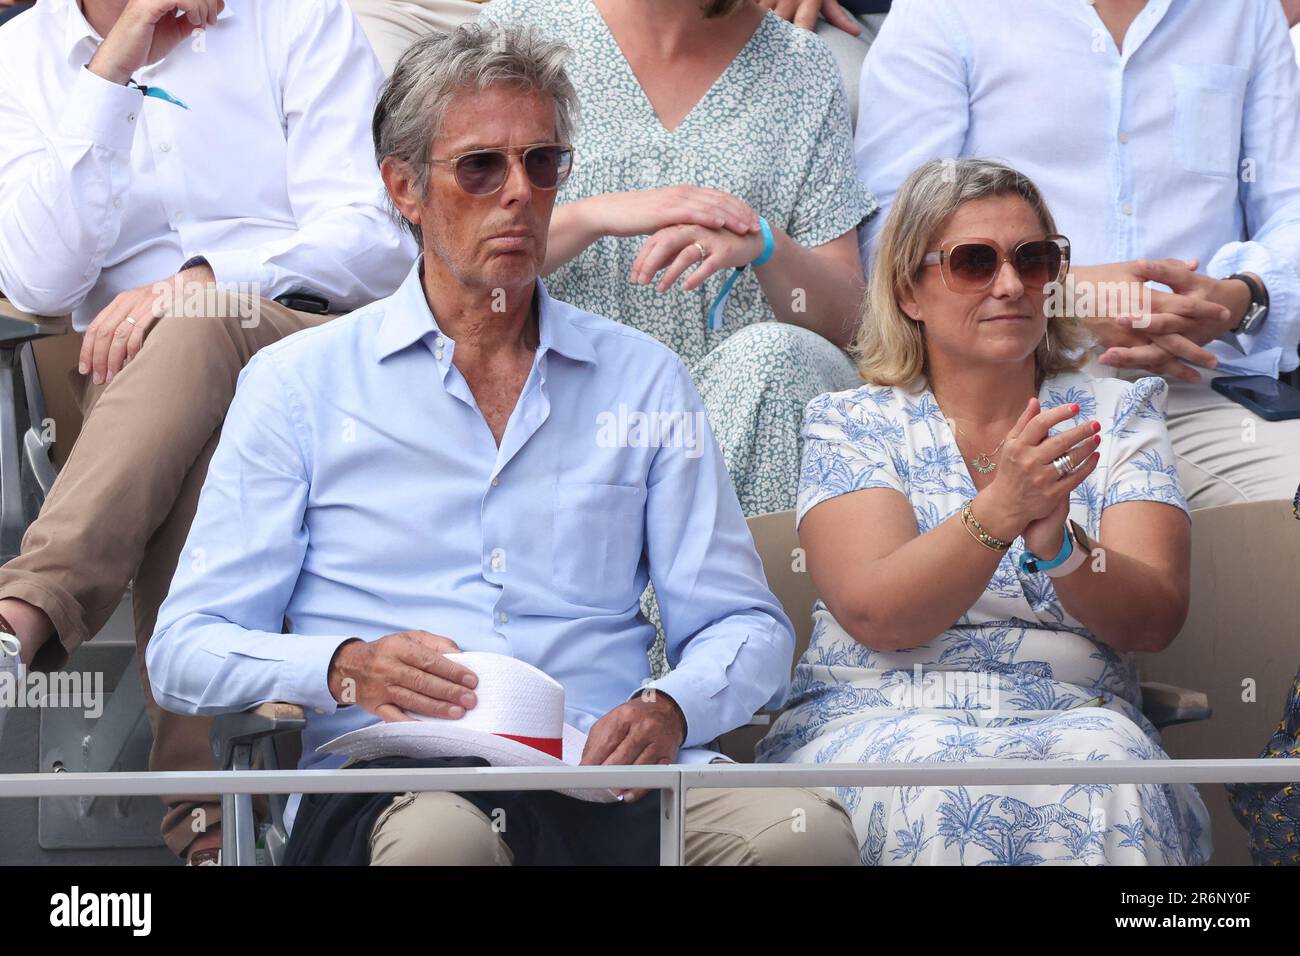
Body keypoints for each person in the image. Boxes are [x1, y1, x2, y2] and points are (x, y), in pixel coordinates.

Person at [146, 22, 860, 866]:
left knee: (803, 839)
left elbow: (746, 624)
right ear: (403, 188)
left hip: (605, 770)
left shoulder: (642, 381)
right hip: (402, 781)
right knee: (442, 845)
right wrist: (343, 668)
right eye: (481, 166)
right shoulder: (299, 384)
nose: (518, 192)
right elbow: (184, 650)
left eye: (543, 163)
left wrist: (671, 705)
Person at [0, 0, 414, 863]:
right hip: (114, 378)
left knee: (204, 328)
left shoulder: (298, 19)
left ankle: (26, 609)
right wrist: (110, 71)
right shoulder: (22, 53)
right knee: (213, 430)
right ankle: (212, 826)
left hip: (305, 338)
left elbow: (375, 238)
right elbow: (39, 277)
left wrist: (204, 282)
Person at [757, 159, 1212, 865]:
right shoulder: (852, 422)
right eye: (974, 262)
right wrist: (999, 512)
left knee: (1107, 768)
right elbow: (881, 613)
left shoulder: (1120, 414)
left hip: (1076, 718)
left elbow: (1154, 619)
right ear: (909, 290)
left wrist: (1062, 548)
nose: (1009, 285)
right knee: (940, 783)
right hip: (881, 719)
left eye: (1033, 260)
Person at [856, 0, 1300, 509]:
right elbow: (889, 240)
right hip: (1005, 393)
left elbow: (1291, 207)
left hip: (1200, 389)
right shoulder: (943, 10)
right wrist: (1065, 298)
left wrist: (1242, 296)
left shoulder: (1247, 9)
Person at [483, 0, 876, 517]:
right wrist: (596, 216)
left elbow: (850, 320)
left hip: (745, 414)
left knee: (777, 356)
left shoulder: (800, 66)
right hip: (569, 405)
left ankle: (707, 591)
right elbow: (457, 261)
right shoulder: (511, 33)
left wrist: (766, 245)